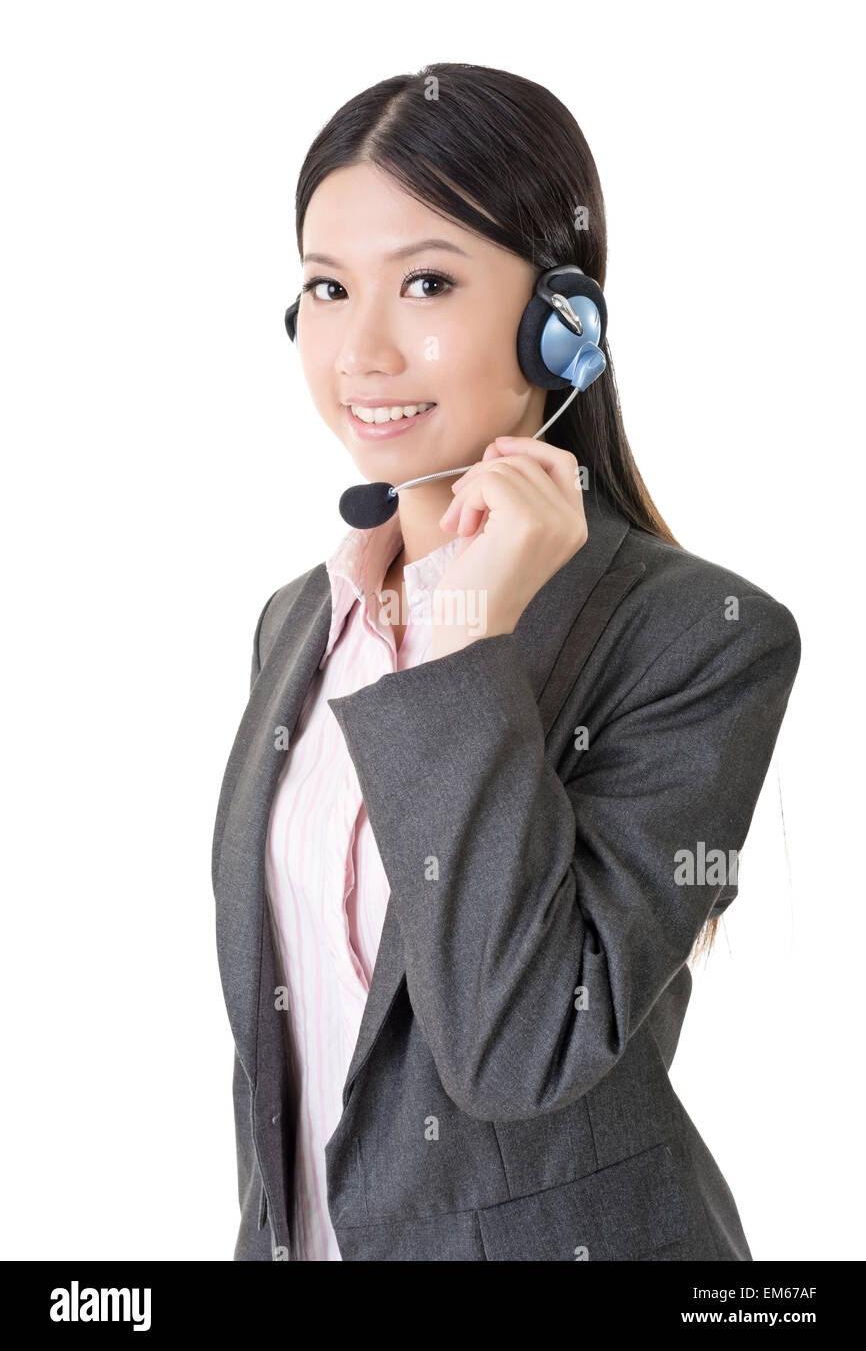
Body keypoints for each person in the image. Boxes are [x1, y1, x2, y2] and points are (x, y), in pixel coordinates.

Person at [211, 62, 800, 1261]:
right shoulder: (297, 622)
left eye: (425, 281)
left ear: (559, 325)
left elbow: (518, 1045)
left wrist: (465, 639)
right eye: (325, 288)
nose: (360, 349)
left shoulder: (698, 639)